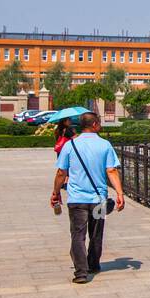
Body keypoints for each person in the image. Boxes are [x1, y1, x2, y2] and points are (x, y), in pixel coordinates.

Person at [51, 112, 124, 283]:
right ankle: (93, 263)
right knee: (96, 233)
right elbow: (111, 171)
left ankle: (81, 273)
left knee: (78, 235)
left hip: (77, 200)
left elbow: (61, 172)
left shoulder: (71, 145)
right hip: (98, 200)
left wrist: (55, 193)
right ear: (95, 125)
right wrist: (119, 193)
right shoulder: (105, 145)